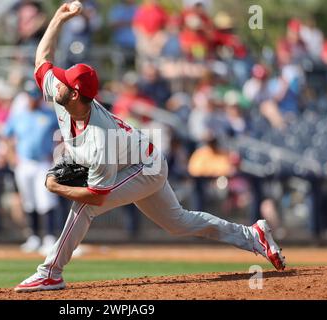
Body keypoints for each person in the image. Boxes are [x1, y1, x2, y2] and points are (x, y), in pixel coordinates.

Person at [14, 4, 286, 293]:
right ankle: (253, 235)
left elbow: (95, 197)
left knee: (83, 206)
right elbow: (42, 59)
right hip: (132, 159)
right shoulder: (63, 95)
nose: (58, 83)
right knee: (179, 223)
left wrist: (58, 188)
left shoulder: (100, 138)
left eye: (65, 82)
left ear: (76, 93)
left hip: (145, 167)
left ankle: (50, 272)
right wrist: (59, 17)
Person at [2, 81, 60, 255]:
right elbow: (6, 136)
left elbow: (63, 134)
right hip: (24, 163)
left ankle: (49, 237)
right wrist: (12, 156)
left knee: (46, 199)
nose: (32, 100)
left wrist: (57, 153)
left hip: (43, 162)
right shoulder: (18, 116)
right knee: (29, 201)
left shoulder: (49, 115)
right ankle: (34, 236)